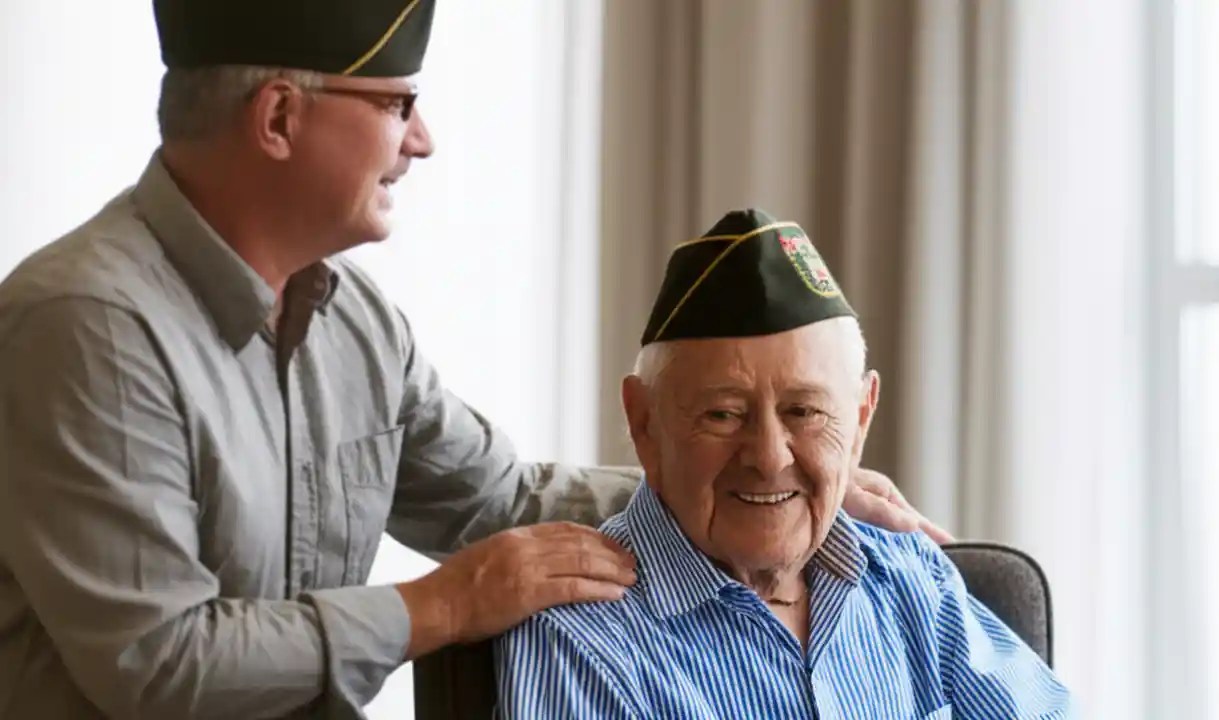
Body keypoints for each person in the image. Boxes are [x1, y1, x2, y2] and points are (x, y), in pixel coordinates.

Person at [0, 3, 944, 718]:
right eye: (397, 104)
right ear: (279, 117)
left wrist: (740, 485)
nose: (421, 140)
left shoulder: (356, 324)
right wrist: (439, 607)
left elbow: (501, 497)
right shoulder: (85, 325)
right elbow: (157, 663)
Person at [496, 209, 1072, 719]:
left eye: (804, 412)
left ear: (862, 417)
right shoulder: (578, 637)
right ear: (644, 422)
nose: (770, 457)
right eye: (723, 415)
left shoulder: (912, 580)